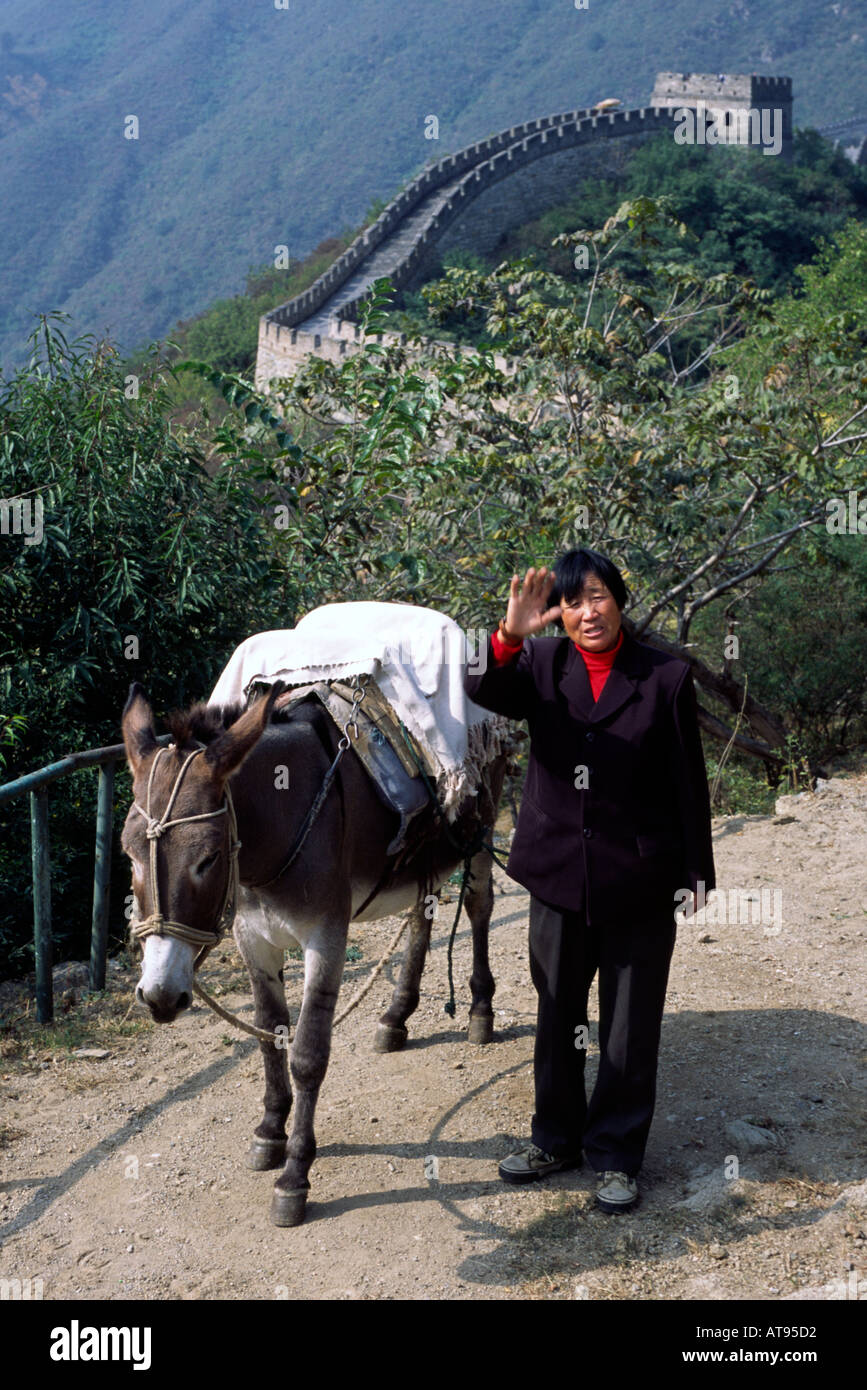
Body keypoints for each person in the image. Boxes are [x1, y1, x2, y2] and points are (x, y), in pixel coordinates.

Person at [463, 548, 716, 1213]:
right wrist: (509, 635)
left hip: (639, 874)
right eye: (572, 602)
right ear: (561, 614)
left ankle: (615, 1154)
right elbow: (479, 687)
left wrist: (696, 869)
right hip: (556, 875)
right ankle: (554, 1140)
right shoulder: (541, 664)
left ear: (619, 600)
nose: (585, 611)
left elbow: (688, 780)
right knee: (556, 1012)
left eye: (597, 596)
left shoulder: (664, 677)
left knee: (629, 1026)